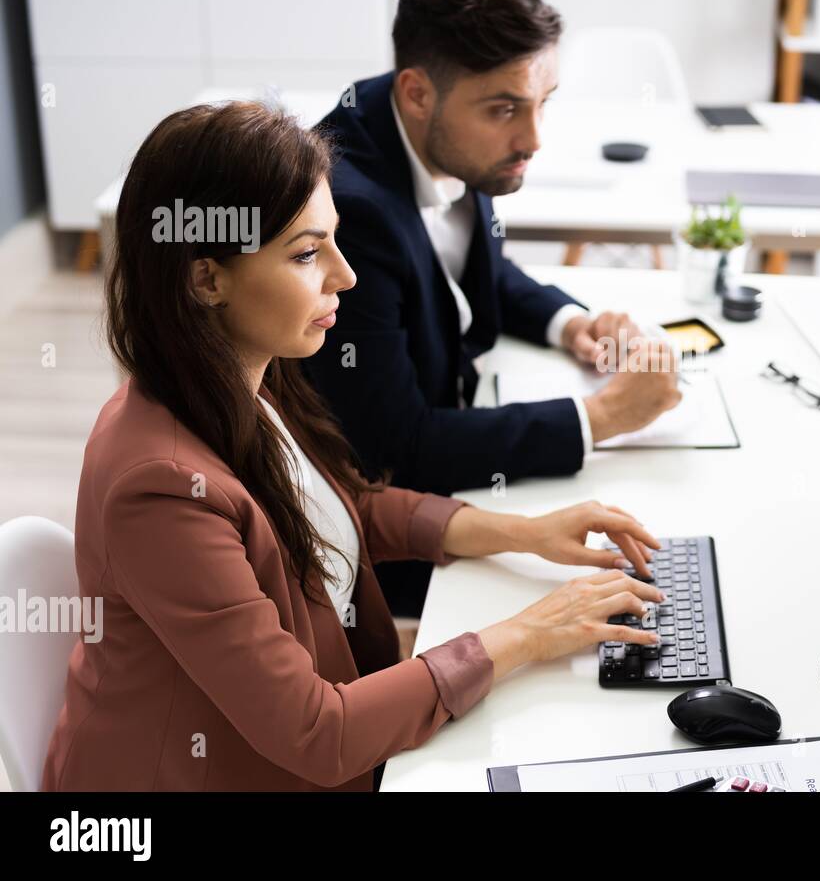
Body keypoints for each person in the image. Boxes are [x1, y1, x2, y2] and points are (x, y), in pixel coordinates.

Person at [43, 102, 662, 791]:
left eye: (332, 242)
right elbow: (317, 731)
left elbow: (342, 508)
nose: (345, 275)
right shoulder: (159, 487)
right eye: (307, 253)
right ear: (207, 278)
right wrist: (529, 634)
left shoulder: (236, 377)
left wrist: (525, 532)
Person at [305, 0, 681, 615]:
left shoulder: (443, 135)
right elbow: (399, 448)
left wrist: (571, 323)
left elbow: (474, 271)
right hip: (380, 549)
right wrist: (602, 417)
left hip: (460, 461)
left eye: (543, 104)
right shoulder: (350, 211)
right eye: (506, 109)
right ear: (417, 92)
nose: (533, 138)